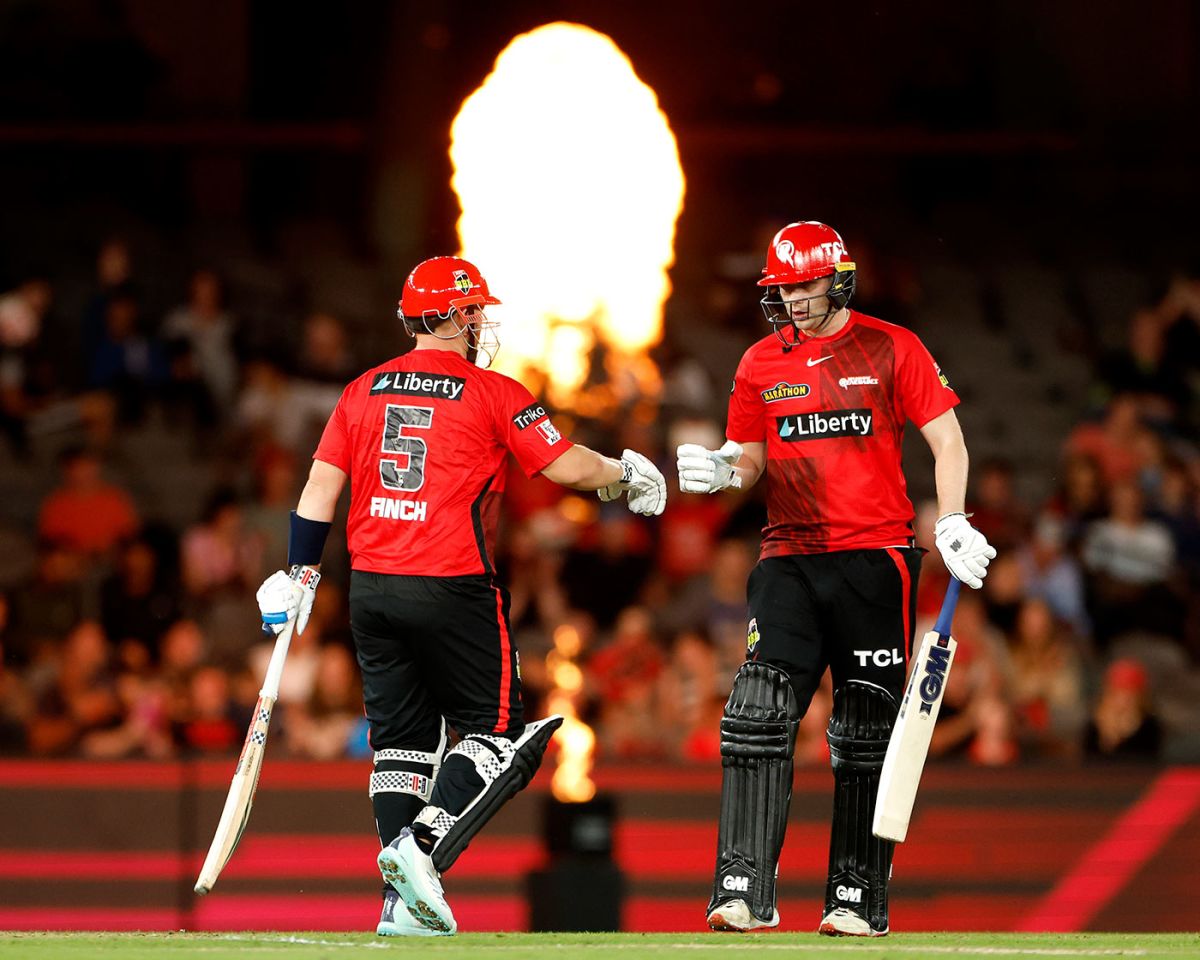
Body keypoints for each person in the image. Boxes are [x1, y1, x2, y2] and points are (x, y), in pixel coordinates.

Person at [254, 256, 666, 938]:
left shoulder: (360, 389)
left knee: (401, 748)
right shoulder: (492, 392)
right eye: (475, 309)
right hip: (450, 580)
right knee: (496, 728)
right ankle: (420, 850)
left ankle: (398, 906)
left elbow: (319, 490)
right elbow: (565, 465)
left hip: (372, 588)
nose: (481, 321)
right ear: (458, 315)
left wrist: (300, 573)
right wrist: (624, 473)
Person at [676, 222, 995, 937]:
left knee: (864, 727)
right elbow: (748, 458)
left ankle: (856, 897)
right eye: (780, 287)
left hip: (874, 558)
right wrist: (721, 469)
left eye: (802, 285)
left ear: (838, 280)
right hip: (787, 556)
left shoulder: (892, 345)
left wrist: (951, 522)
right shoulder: (759, 361)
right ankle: (742, 887)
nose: (790, 298)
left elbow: (947, 439)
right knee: (757, 710)